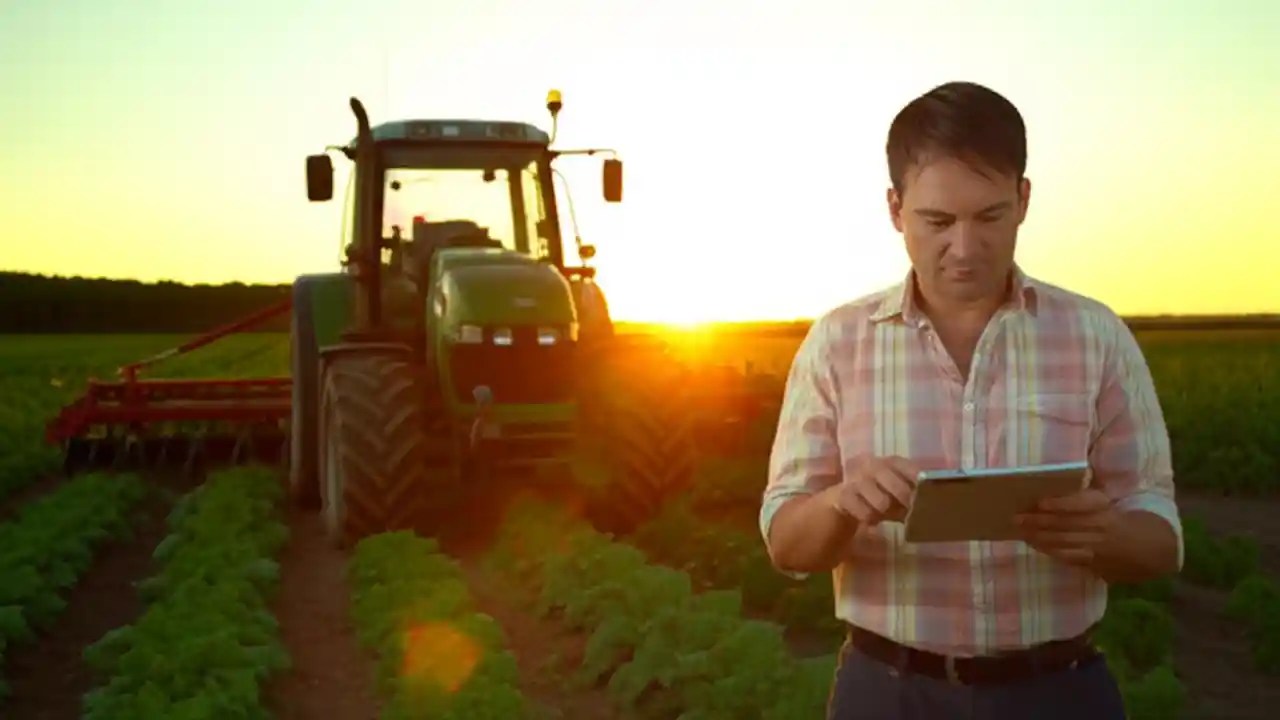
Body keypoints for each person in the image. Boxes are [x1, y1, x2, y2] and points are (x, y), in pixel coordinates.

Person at [759, 81, 1182, 720]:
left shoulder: (1094, 336)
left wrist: (1105, 533)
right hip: (889, 692)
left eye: (989, 216)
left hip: (1059, 692)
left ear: (1024, 199)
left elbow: (1160, 542)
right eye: (937, 221)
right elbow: (786, 545)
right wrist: (843, 503)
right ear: (896, 209)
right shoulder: (837, 344)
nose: (965, 247)